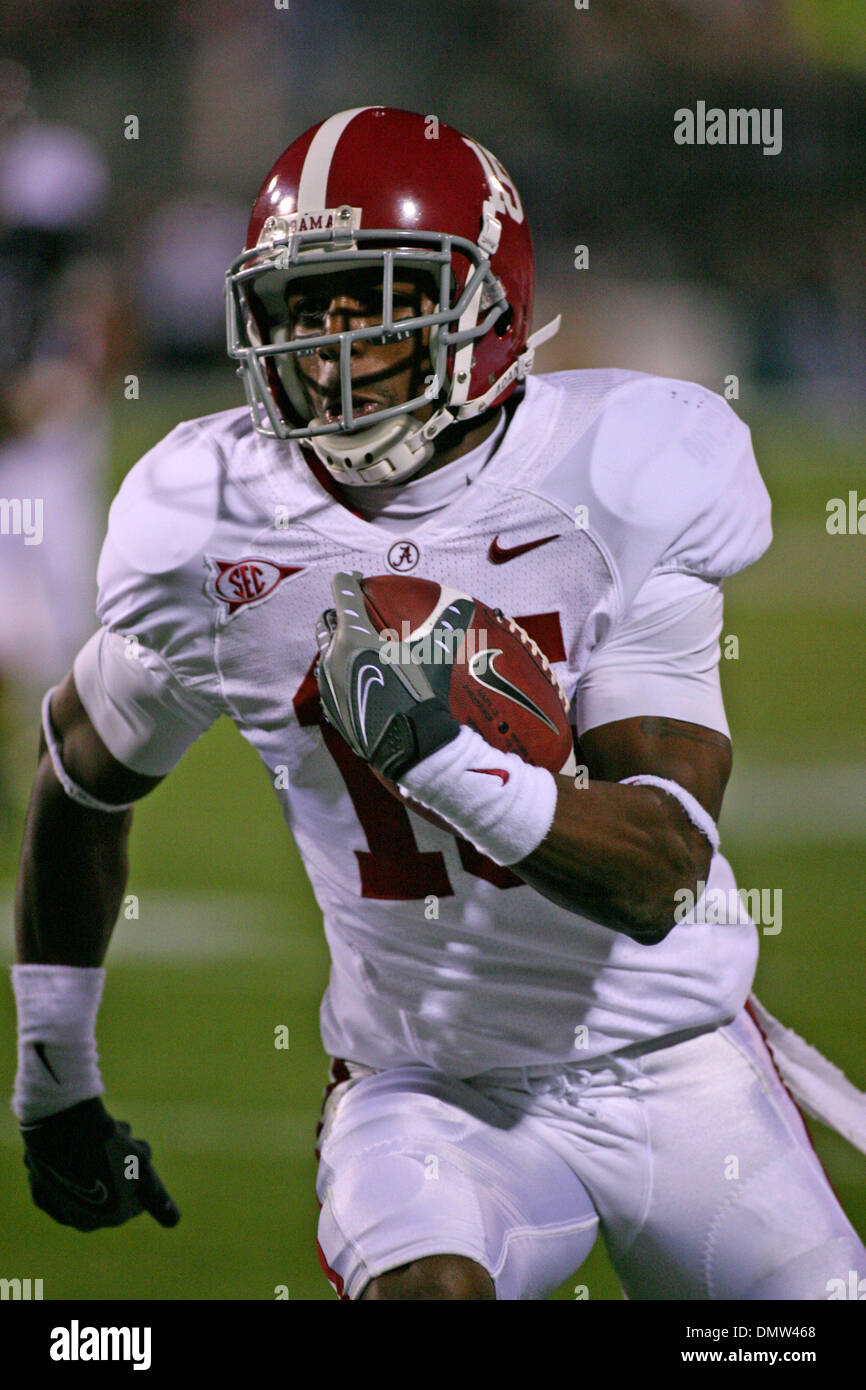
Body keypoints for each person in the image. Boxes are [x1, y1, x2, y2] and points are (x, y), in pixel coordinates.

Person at [12, 106, 865, 1301]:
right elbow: (81, 770)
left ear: (483, 307)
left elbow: (657, 868)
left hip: (673, 1063)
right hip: (423, 1086)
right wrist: (57, 1084)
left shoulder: (619, 473)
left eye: (373, 299)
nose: (333, 346)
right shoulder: (212, 524)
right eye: (305, 308)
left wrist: (438, 754)